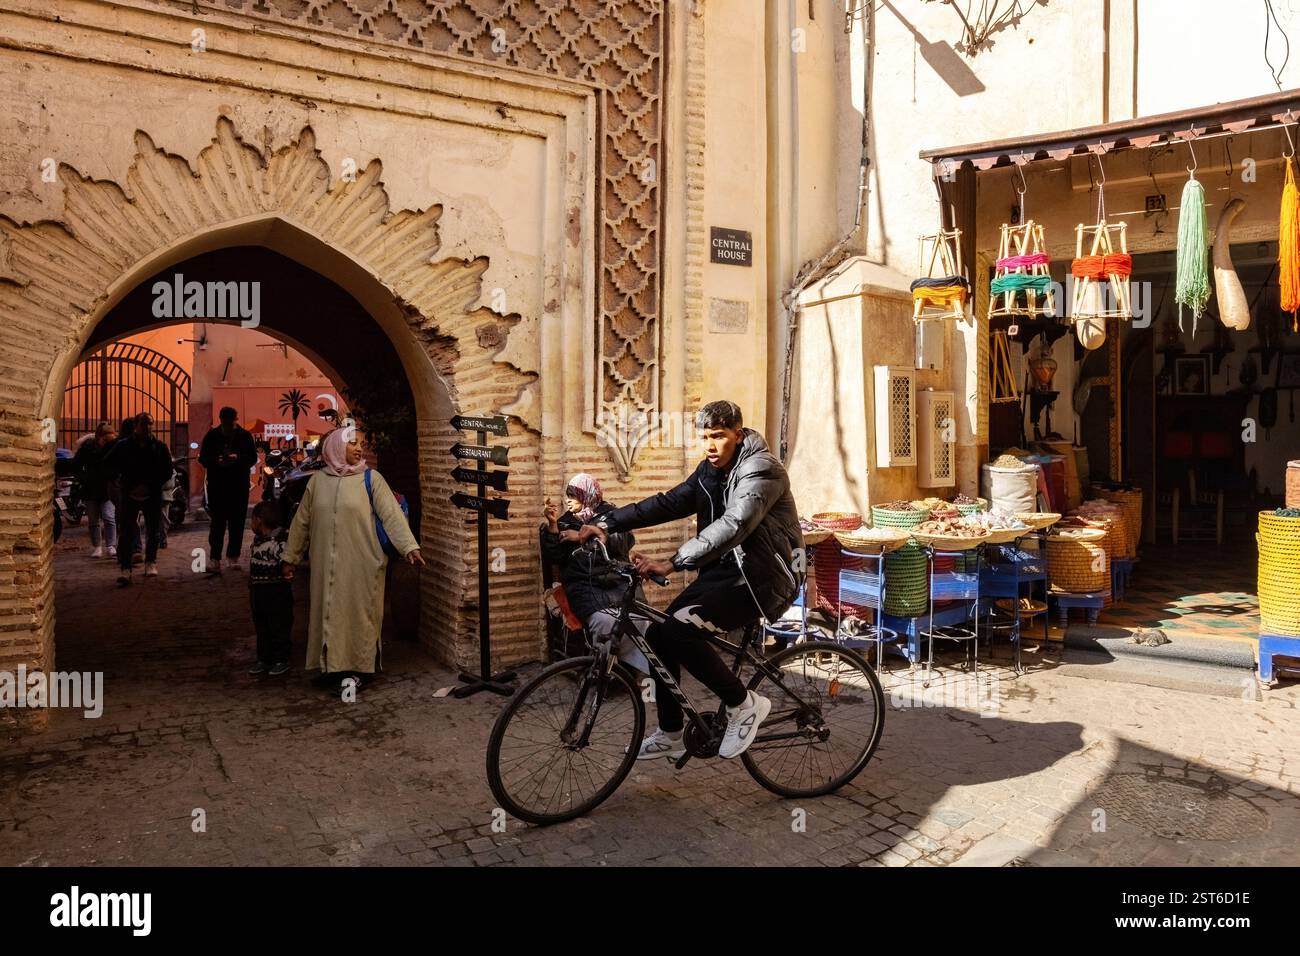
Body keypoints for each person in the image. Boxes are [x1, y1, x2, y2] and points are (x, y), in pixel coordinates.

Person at [579, 400, 803, 760]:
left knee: (682, 631)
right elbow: (668, 503)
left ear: (739, 434)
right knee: (660, 635)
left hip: (764, 578)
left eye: (719, 436)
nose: (710, 445)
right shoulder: (709, 472)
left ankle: (743, 704)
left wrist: (672, 563)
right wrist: (607, 524)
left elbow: (734, 525)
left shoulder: (762, 470)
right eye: (705, 437)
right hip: (725, 573)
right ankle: (669, 731)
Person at [281, 427, 424, 691]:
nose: (359, 448)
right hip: (325, 565)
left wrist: (408, 547)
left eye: (361, 444)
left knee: (358, 615)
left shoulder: (371, 479)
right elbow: (302, 522)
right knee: (327, 614)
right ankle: (331, 667)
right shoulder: (317, 481)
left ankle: (358, 671)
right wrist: (291, 557)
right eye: (352, 443)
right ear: (335, 446)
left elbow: (391, 515)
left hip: (362, 563)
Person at [539, 474, 649, 672]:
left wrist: (582, 537)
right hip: (584, 584)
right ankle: (606, 671)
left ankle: (629, 668)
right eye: (568, 495)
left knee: (639, 617)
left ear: (588, 496)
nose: (568, 500)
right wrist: (553, 524)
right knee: (606, 621)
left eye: (574, 496)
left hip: (616, 580)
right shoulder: (565, 522)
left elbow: (625, 541)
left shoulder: (611, 515)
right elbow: (554, 556)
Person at [103, 413, 173, 586]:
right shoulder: (123, 446)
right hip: (129, 493)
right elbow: (107, 464)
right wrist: (118, 479)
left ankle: (151, 562)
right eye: (144, 424)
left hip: (152, 493)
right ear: (136, 425)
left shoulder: (159, 447)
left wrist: (151, 485)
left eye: (150, 423)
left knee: (153, 530)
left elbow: (167, 470)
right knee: (126, 531)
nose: (147, 427)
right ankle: (126, 568)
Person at [199, 406, 257, 573]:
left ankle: (233, 557)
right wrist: (217, 461)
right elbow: (203, 458)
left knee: (236, 523)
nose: (228, 426)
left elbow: (252, 458)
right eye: (226, 423)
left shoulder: (245, 436)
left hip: (238, 486)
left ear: (235, 420)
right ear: (221, 420)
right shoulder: (212, 436)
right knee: (217, 523)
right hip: (218, 486)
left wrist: (237, 459)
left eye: (230, 423)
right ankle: (215, 558)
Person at [247, 499, 292, 677]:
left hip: (276, 592)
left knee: (278, 625)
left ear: (259, 520)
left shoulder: (279, 542)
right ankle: (264, 659)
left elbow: (287, 565)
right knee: (262, 626)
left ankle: (281, 659)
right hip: (258, 591)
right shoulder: (258, 541)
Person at [72, 422, 118, 559]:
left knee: (109, 517)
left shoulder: (114, 448)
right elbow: (76, 467)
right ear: (99, 438)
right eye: (106, 440)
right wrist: (84, 478)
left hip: (107, 489)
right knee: (93, 520)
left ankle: (111, 545)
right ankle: (97, 546)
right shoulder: (87, 449)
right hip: (90, 489)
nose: (108, 443)